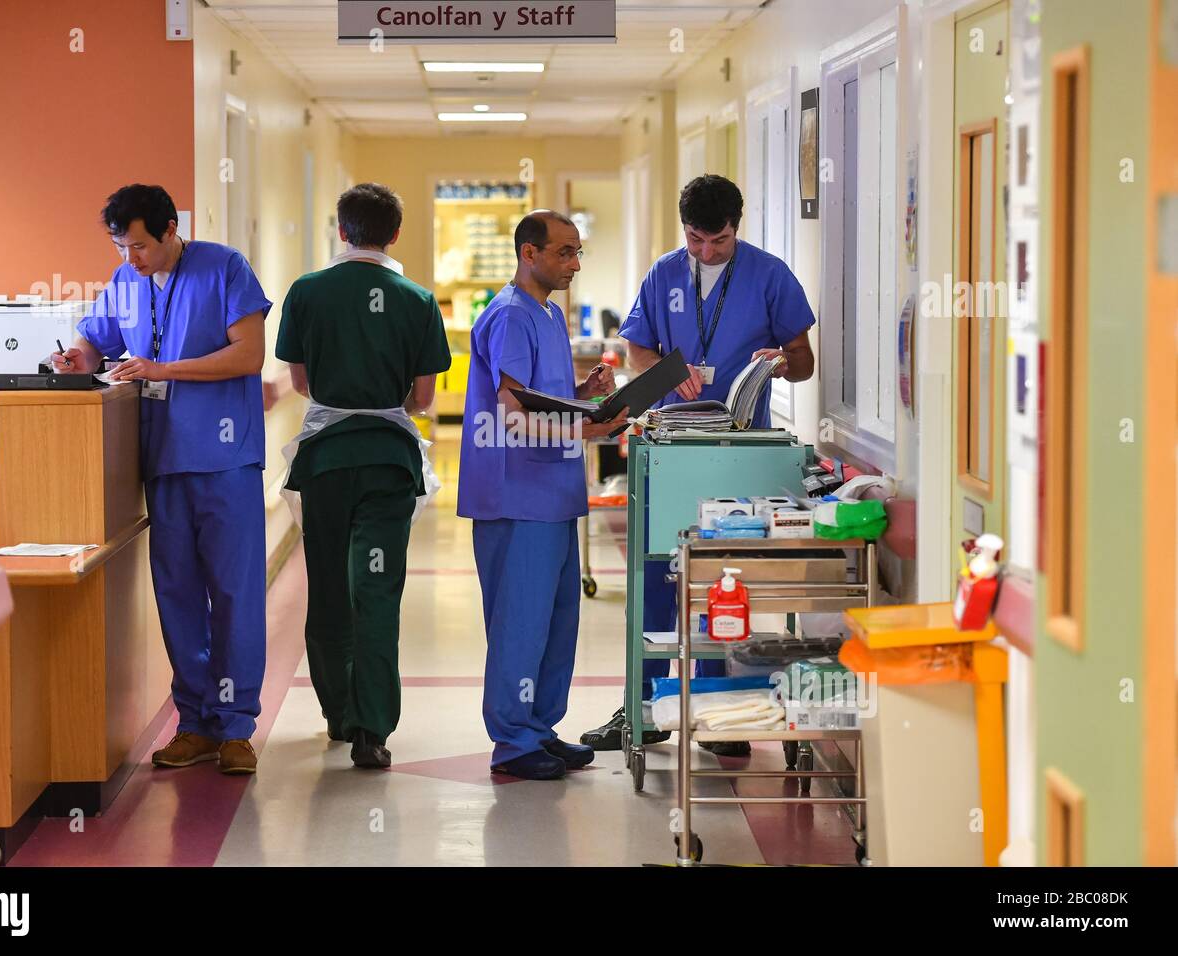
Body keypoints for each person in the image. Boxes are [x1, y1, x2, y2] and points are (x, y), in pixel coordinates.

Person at [580, 174, 816, 756]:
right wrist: (668, 366)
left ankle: (719, 709)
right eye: (695, 240)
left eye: (719, 241)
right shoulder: (664, 273)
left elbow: (804, 359)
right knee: (657, 576)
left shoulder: (768, 274)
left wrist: (780, 362)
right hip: (670, 447)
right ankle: (645, 707)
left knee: (721, 581)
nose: (706, 252)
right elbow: (638, 347)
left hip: (739, 453)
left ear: (738, 226)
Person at [52, 184, 271, 775]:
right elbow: (95, 341)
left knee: (233, 594)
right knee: (176, 597)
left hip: (225, 458)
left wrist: (162, 369)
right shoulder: (125, 281)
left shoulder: (224, 268)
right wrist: (79, 358)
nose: (133, 258)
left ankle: (235, 729)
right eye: (123, 247)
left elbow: (249, 355)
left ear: (173, 229)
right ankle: (195, 724)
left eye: (142, 245)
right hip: (163, 461)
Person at [274, 183, 451, 769]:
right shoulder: (418, 300)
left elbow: (302, 384)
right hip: (387, 465)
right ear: (395, 233)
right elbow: (423, 400)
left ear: (341, 229)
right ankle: (372, 728)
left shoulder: (306, 292)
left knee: (326, 586)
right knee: (376, 590)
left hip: (324, 463)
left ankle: (337, 714)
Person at [458, 210, 629, 781]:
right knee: (520, 624)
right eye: (563, 252)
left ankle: (539, 728)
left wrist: (584, 395)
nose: (574, 264)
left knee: (556, 623)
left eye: (578, 252)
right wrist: (591, 429)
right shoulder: (510, 316)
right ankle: (512, 741)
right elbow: (511, 421)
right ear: (528, 254)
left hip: (552, 495)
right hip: (516, 497)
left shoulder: (549, 314)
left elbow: (540, 402)